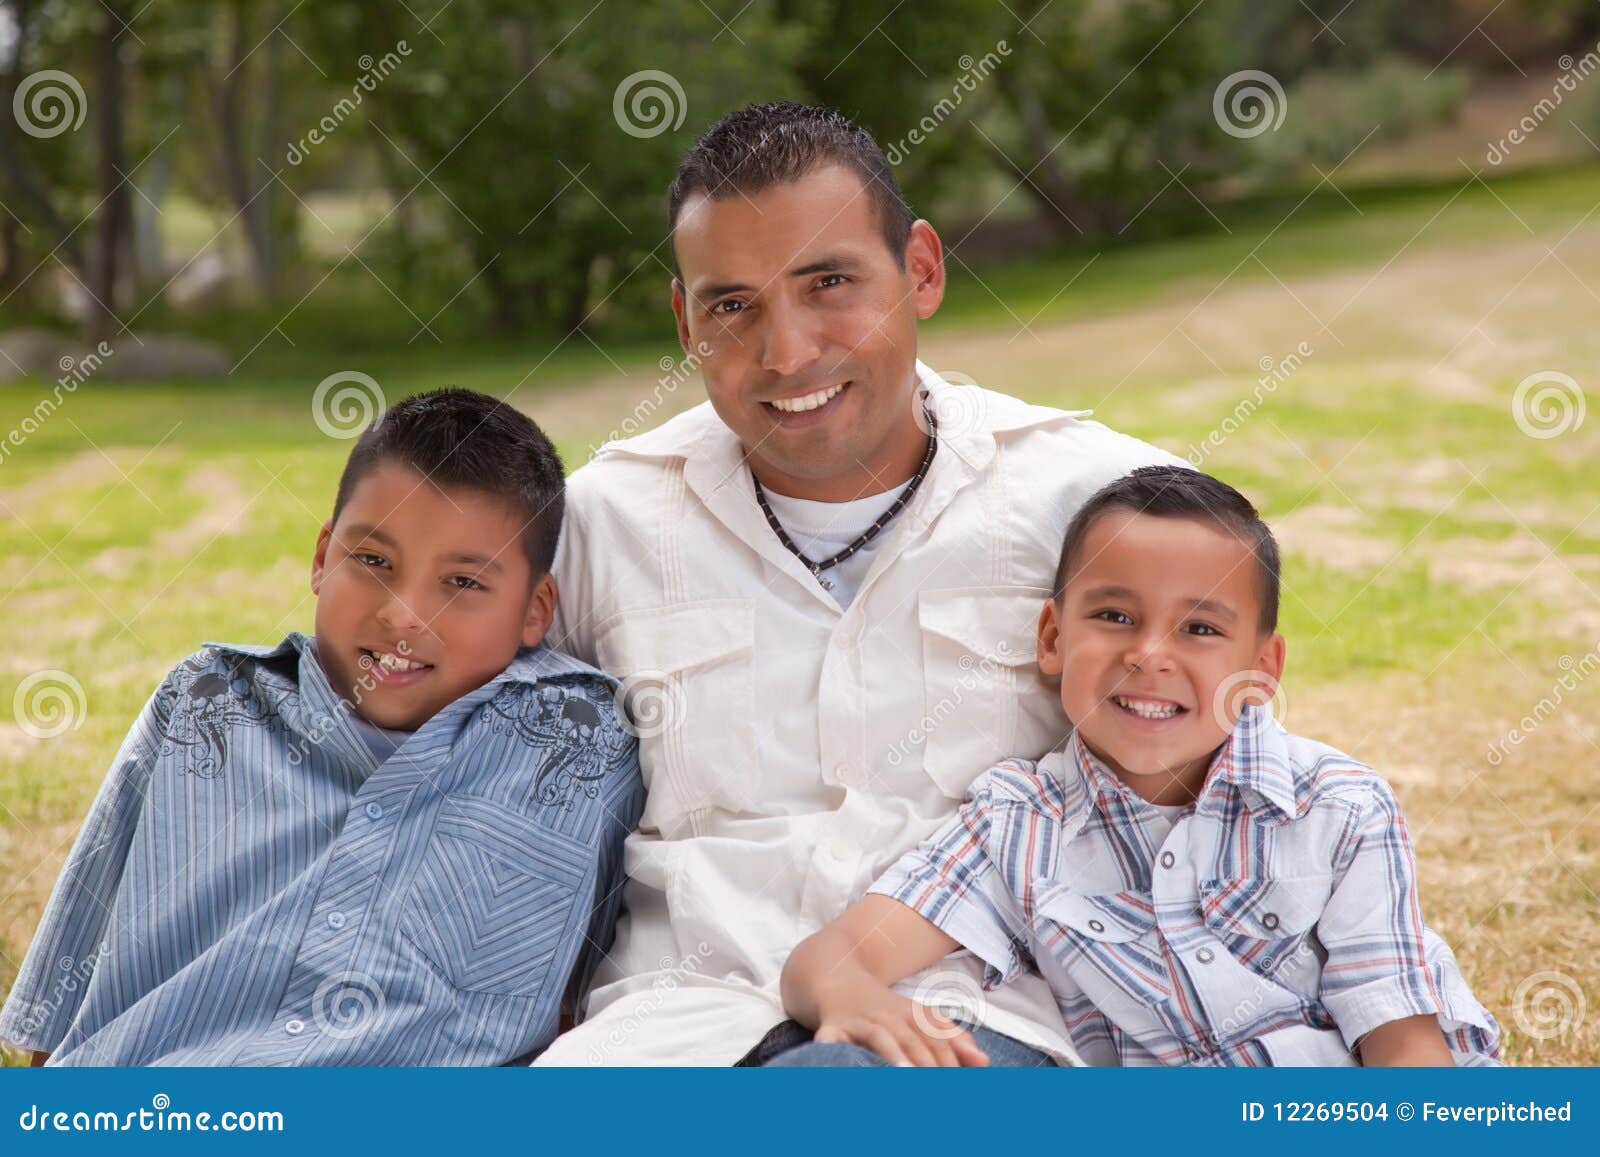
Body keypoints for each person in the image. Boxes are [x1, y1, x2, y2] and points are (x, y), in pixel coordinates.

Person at [537, 101, 1184, 1067]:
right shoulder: (601, 523)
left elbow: (1246, 796)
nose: (787, 352)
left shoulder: (1098, 503)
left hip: (968, 1023)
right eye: (731, 305)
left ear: (920, 270)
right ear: (684, 321)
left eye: (829, 282)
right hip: (671, 1033)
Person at [0, 388, 642, 1066]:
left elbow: (590, 1001)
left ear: (535, 610)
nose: (404, 615)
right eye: (373, 561)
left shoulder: (583, 745)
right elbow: (60, 1017)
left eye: (462, 582)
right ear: (321, 557)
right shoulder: (205, 703)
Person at [779, 465, 1502, 1067]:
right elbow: (835, 954)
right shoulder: (1018, 822)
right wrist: (855, 996)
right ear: (1053, 638)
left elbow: (1403, 1043)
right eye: (1115, 616)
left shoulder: (1338, 807)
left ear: (1260, 668)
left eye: (1200, 628)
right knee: (828, 1078)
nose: (1150, 653)